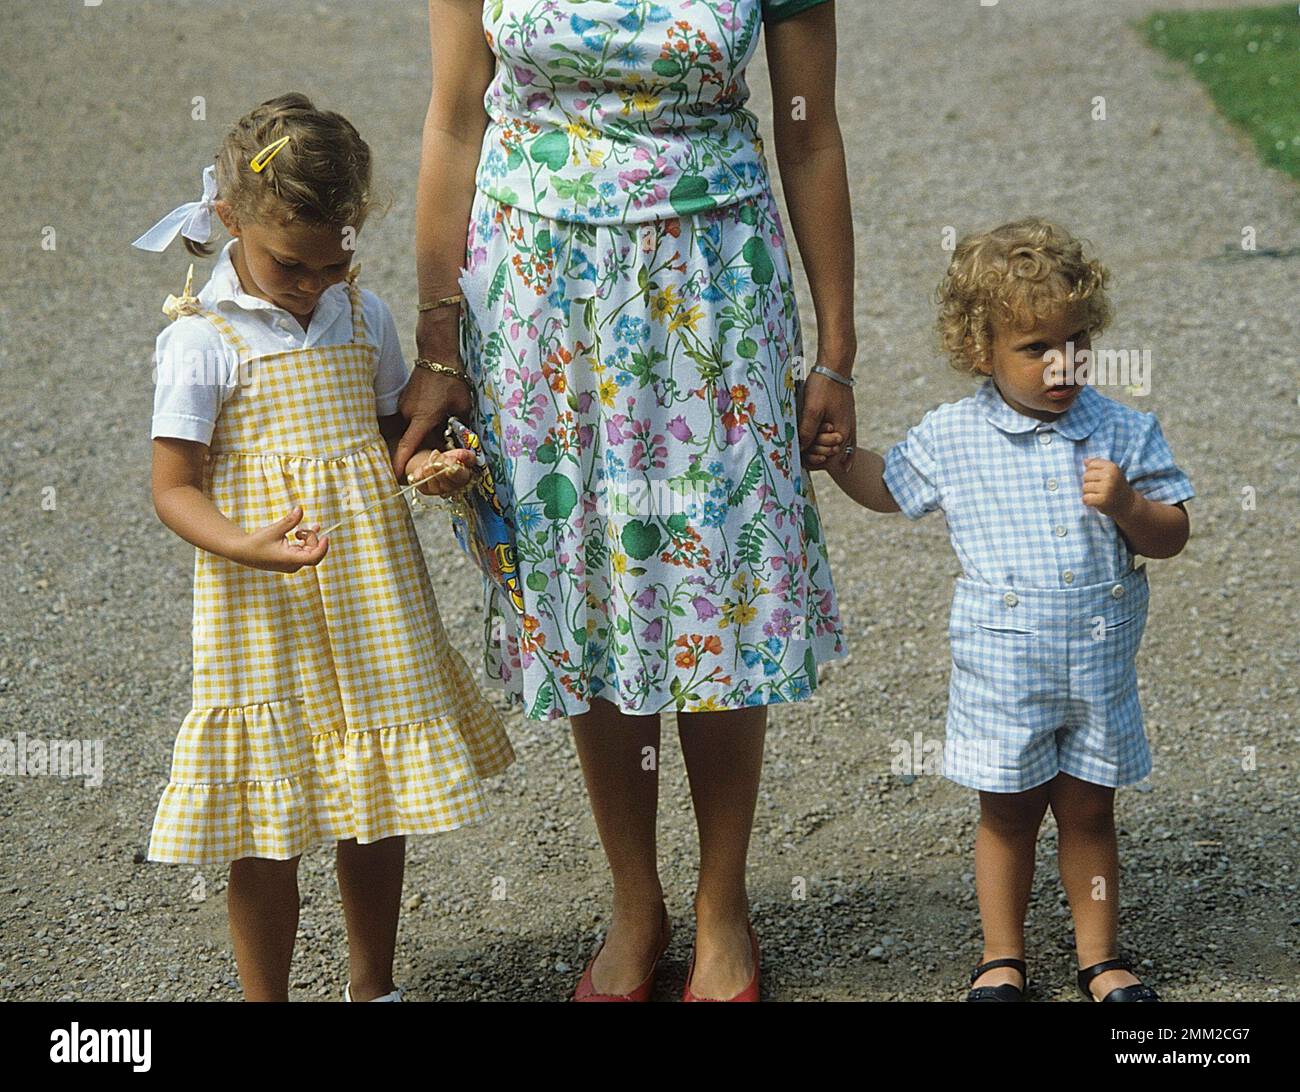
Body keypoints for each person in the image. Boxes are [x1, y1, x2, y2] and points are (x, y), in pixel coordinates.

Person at [398, 0, 855, 1001]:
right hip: (538, 289)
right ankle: (635, 899)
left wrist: (835, 350)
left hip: (711, 284)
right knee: (589, 593)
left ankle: (721, 902)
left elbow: (809, 130)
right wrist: (439, 340)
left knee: (719, 592)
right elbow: (453, 118)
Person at [137, 92, 515, 1002]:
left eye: (331, 260)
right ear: (229, 220)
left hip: (368, 598)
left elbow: (393, 437)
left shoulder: (362, 314)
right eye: (289, 265)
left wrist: (431, 466)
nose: (311, 285)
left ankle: (370, 987)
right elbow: (173, 486)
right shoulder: (202, 338)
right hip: (261, 608)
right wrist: (246, 544)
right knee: (265, 819)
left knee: (374, 797)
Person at [817, 217, 1194, 1002]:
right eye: (1034, 349)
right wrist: (844, 461)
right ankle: (1002, 957)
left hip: (1097, 669)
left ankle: (1100, 957)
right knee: (1009, 815)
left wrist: (1128, 505)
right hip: (1004, 671)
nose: (1062, 365)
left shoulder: (1123, 430)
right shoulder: (955, 436)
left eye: (1076, 341)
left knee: (1090, 813)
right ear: (980, 351)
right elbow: (891, 490)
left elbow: (1173, 534)